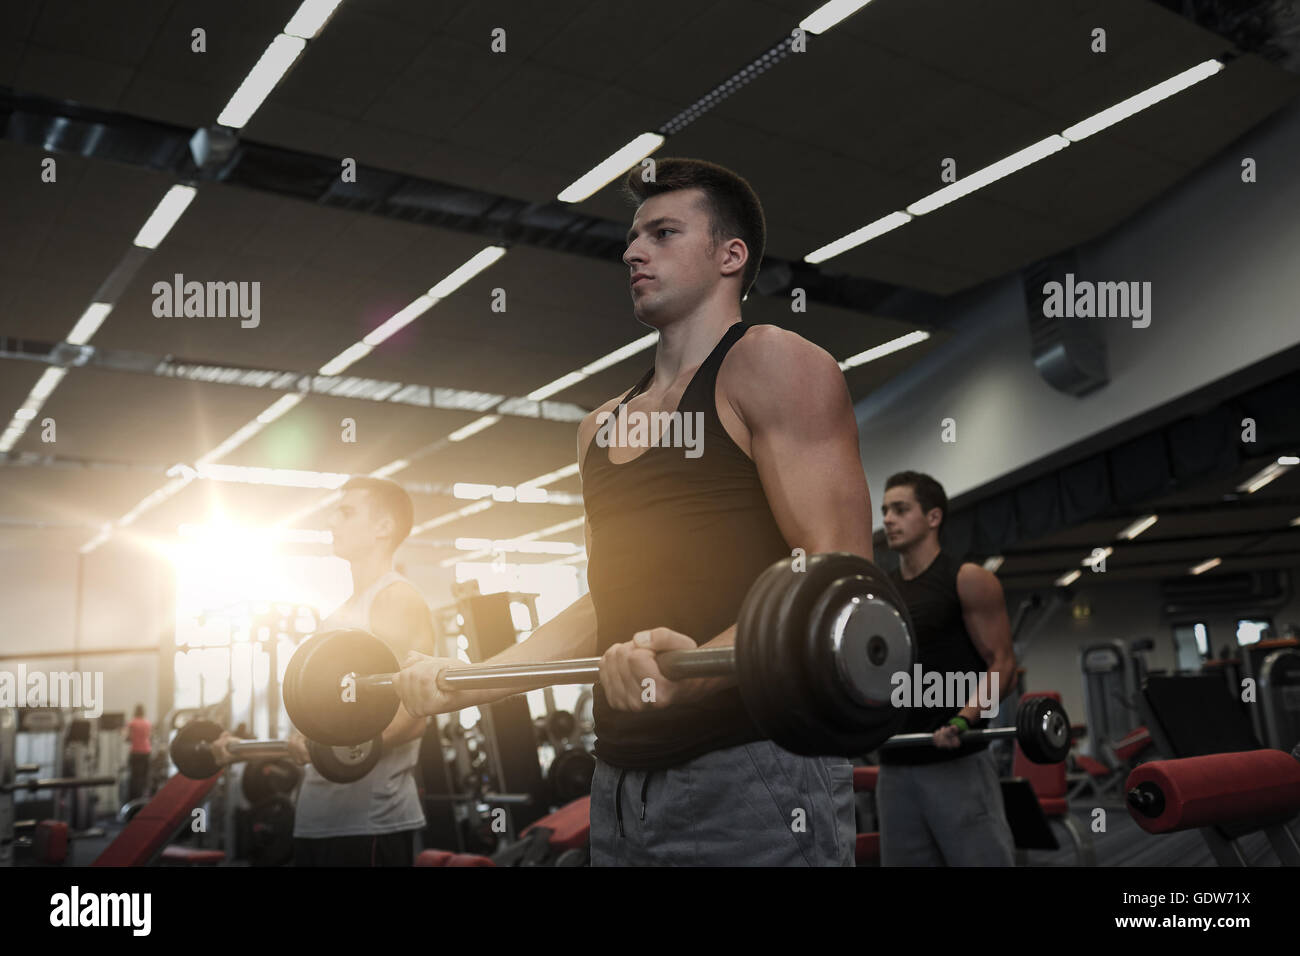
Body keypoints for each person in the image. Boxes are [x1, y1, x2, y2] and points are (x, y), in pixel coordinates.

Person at [394, 158, 874, 865]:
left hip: (751, 767)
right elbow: (603, 603)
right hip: (619, 779)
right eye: (632, 237)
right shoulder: (600, 427)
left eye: (663, 232)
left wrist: (702, 667)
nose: (632, 251)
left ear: (729, 255)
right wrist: (469, 680)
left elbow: (839, 579)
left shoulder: (773, 364)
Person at [212, 476, 433, 866]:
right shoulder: (337, 616)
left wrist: (329, 747)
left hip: (370, 823)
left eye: (346, 512)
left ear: (384, 527)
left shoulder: (397, 598)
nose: (332, 521)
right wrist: (248, 749)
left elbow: (414, 713)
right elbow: (321, 724)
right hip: (318, 817)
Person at [877, 471, 1018, 865]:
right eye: (885, 510)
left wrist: (963, 720)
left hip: (956, 760)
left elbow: (1002, 664)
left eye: (900, 509)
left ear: (934, 517)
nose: (887, 519)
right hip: (895, 766)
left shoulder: (967, 579)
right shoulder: (880, 590)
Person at [124, 704, 152, 800]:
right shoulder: (147, 723)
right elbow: (149, 736)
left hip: (136, 752)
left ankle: (133, 800)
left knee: (134, 778)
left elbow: (129, 738)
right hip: (146, 751)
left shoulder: (132, 723)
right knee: (144, 777)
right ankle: (143, 799)